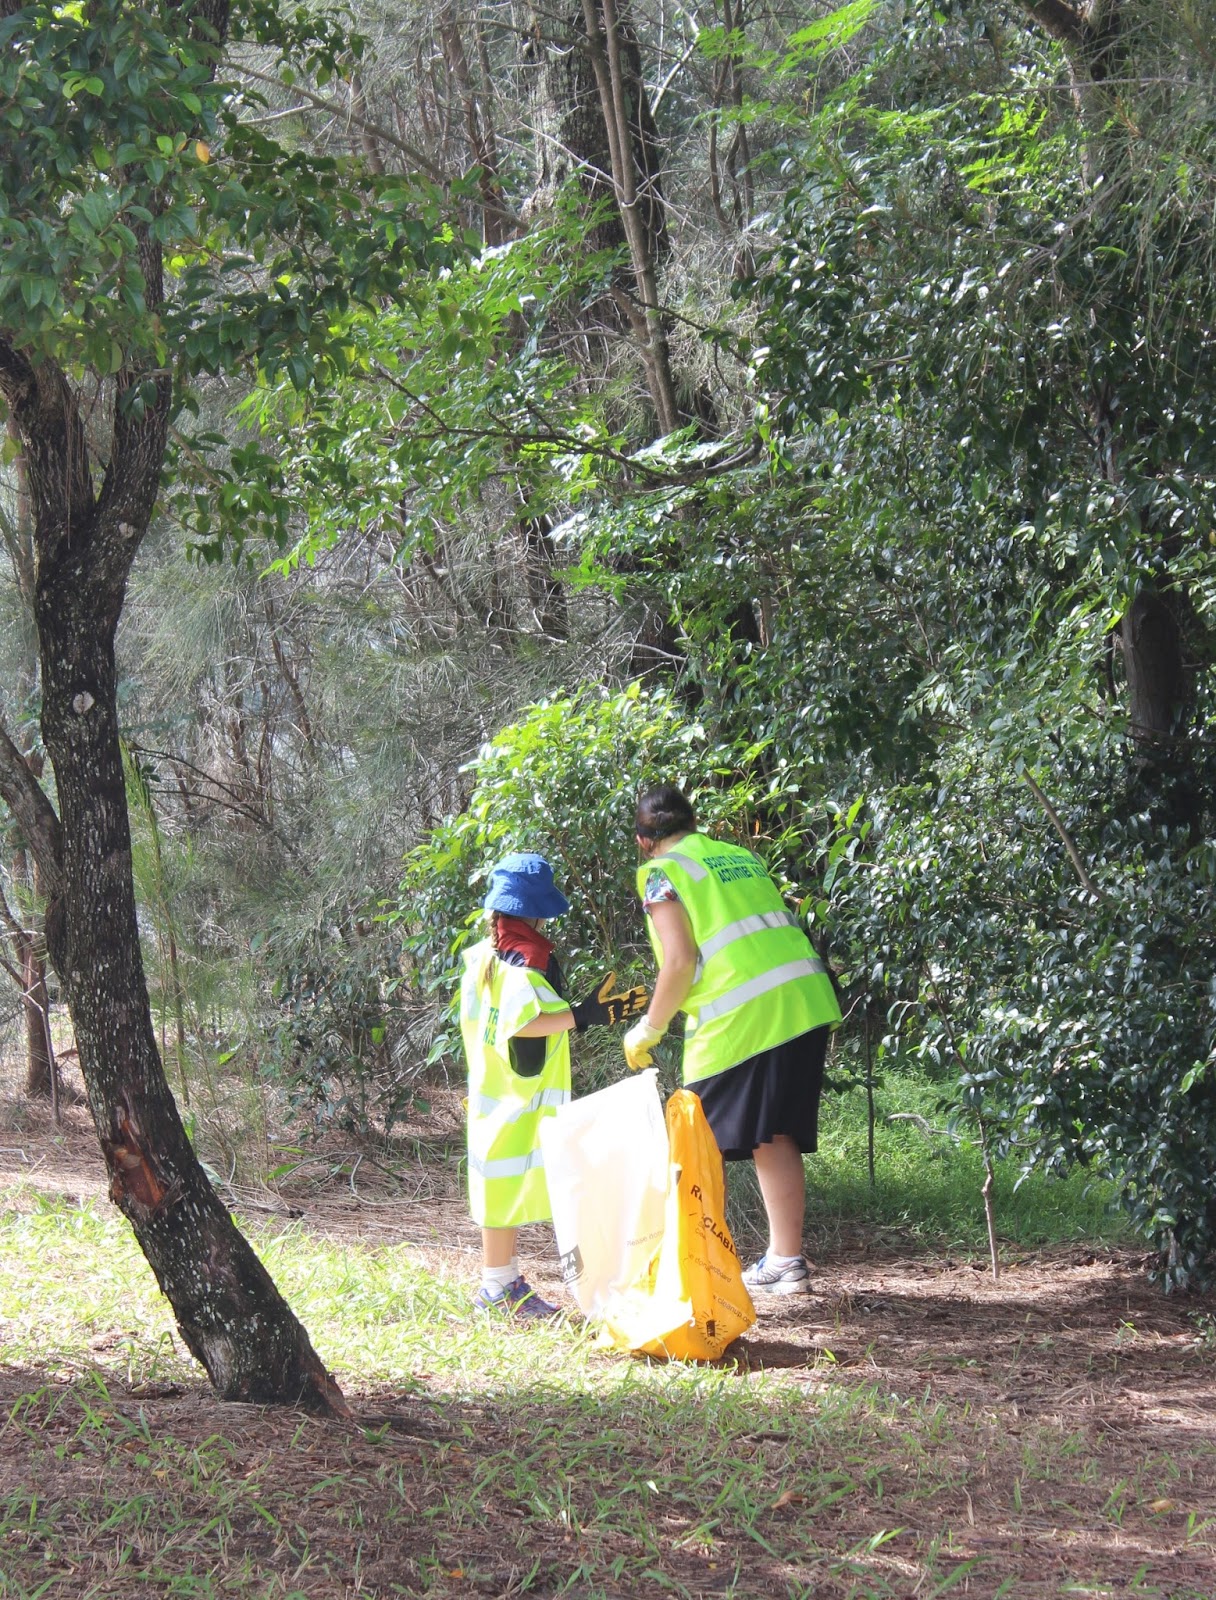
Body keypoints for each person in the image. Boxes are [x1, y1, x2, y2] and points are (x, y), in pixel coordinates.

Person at [623, 787, 841, 1295]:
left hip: (743, 1018)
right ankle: (785, 1262)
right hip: (804, 1002)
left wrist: (648, 1029)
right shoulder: (738, 856)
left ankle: (685, 1269)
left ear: (643, 842)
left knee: (693, 1140)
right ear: (693, 824)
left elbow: (679, 962)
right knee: (774, 1134)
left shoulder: (660, 873)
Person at [459, 851, 648, 1319]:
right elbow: (526, 1025)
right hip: (517, 1097)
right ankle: (499, 1290)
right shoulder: (526, 961)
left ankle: (499, 1283)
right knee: (503, 1194)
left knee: (498, 1193)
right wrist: (588, 1015)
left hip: (492, 1090)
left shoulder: (483, 955)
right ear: (538, 910)